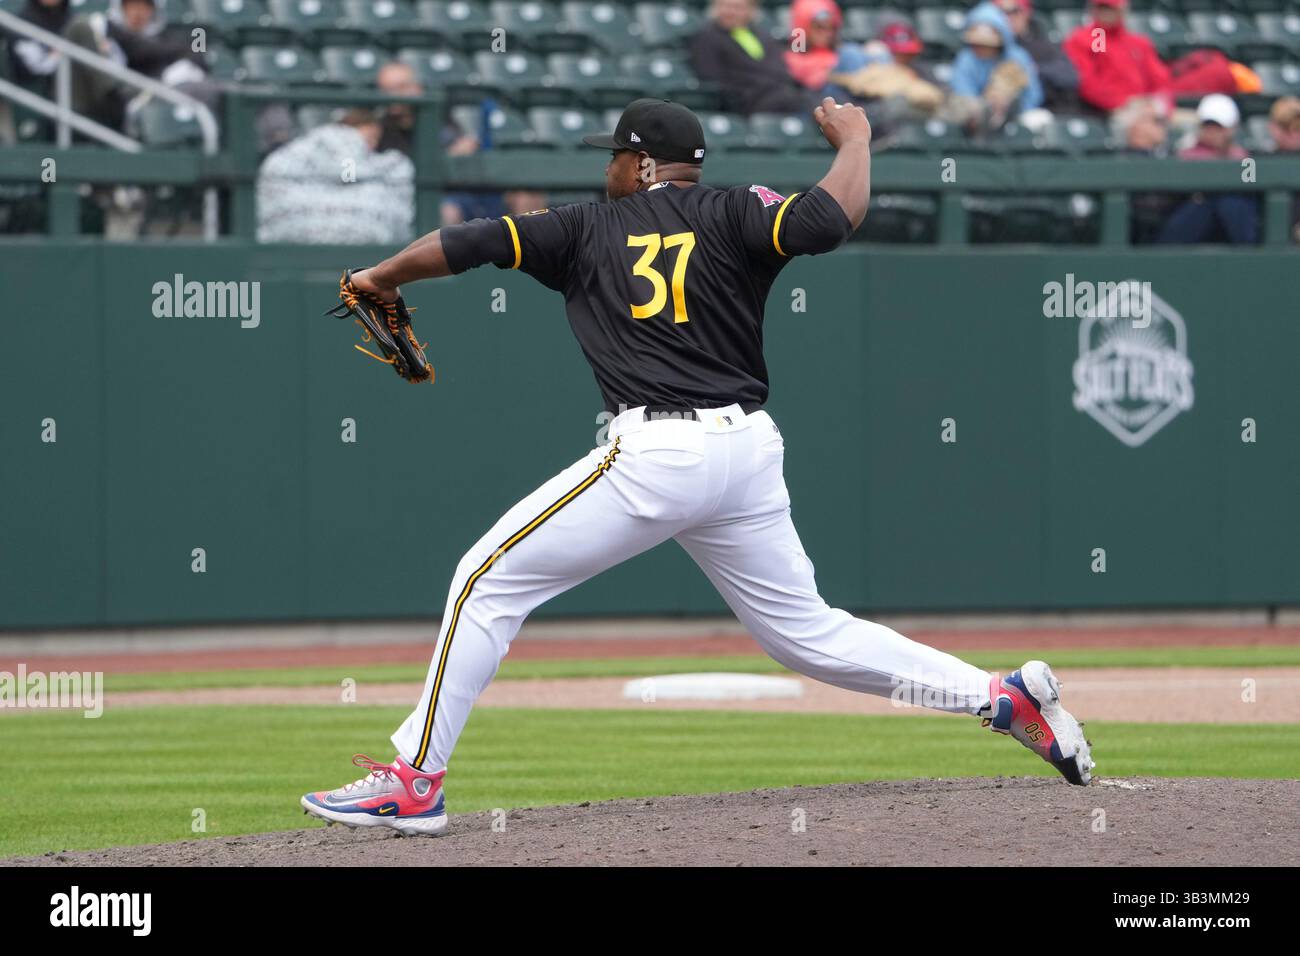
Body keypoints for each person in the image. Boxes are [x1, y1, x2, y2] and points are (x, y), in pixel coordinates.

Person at [300, 96, 1095, 836]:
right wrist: (856, 140)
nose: (605, 167)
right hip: (746, 453)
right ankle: (999, 697)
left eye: (615, 156)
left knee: (484, 579)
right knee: (806, 635)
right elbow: (830, 218)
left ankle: (415, 781)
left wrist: (380, 276)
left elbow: (469, 242)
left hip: (659, 454)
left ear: (644, 164)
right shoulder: (737, 208)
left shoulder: (579, 229)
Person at [256, 108, 415, 244]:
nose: (371, 144)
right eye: (368, 138)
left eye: (375, 140)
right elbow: (348, 174)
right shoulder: (322, 148)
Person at [1157, 94, 1257, 245]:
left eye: (1219, 127)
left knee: (1231, 204)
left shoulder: (1244, 158)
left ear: (1232, 128)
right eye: (1208, 126)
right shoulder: (1185, 153)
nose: (1212, 131)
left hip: (1230, 224)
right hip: (1195, 223)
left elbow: (1251, 188)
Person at [689, 0, 814, 115]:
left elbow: (780, 70)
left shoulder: (762, 35)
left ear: (751, 11)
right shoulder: (707, 37)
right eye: (725, 6)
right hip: (745, 100)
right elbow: (711, 78)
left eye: (738, 8)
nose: (730, 12)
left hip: (778, 93)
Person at [1063, 0, 1171, 115]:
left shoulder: (1139, 43)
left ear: (1123, 10)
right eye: (1102, 8)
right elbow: (1086, 83)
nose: (1106, 13)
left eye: (1111, 8)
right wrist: (1123, 103)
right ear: (1093, 9)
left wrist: (1159, 105)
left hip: (1145, 109)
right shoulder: (1082, 40)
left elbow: (1160, 81)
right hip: (1106, 112)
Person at [949, 2, 1044, 129]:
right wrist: (987, 103)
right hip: (976, 118)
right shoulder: (966, 59)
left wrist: (1011, 101)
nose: (981, 48)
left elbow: (1033, 95)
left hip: (1016, 116)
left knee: (1039, 118)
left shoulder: (1017, 56)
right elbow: (962, 93)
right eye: (976, 44)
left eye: (987, 45)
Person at [995, 0, 1078, 112]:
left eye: (1014, 11)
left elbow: (1070, 76)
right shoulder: (986, 47)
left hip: (1043, 109)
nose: (1007, 17)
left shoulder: (1042, 45)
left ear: (1027, 13)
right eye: (1001, 12)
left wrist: (1036, 70)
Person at [783, 0, 871, 101]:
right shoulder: (794, 57)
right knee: (850, 53)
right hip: (821, 99)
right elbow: (811, 80)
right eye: (819, 27)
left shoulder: (837, 51)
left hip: (846, 94)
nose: (826, 33)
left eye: (831, 27)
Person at [1266, 96, 1300, 241]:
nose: (1293, 132)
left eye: (1298, 126)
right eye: (1286, 126)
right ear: (1273, 128)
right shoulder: (1254, 160)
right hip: (1268, 233)